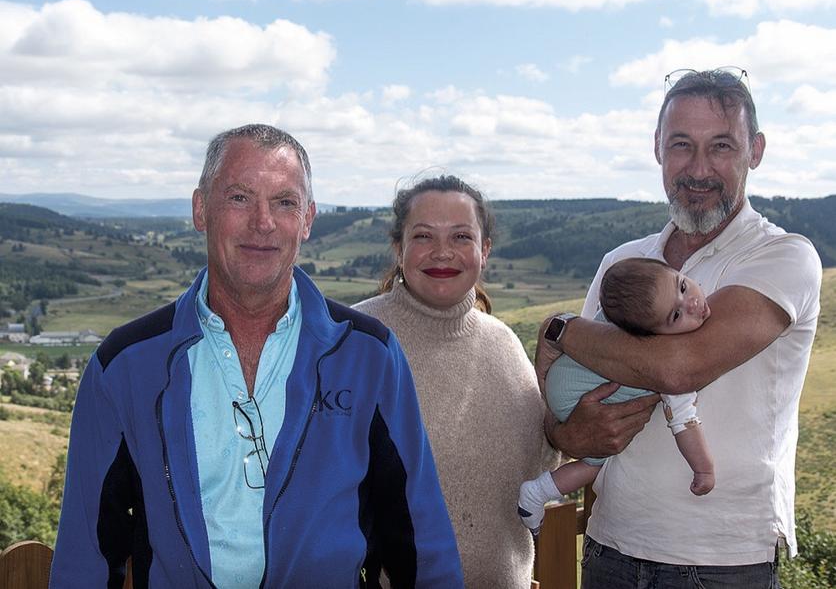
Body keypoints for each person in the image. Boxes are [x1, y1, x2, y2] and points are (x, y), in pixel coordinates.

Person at [50, 124, 463, 588]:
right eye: (239, 197)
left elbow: (421, 541)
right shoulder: (124, 366)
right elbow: (85, 556)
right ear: (200, 209)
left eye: (284, 202)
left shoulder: (368, 356)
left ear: (307, 219)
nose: (262, 222)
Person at [537, 68, 821, 588]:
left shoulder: (783, 257)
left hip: (724, 564)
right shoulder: (622, 261)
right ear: (658, 149)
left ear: (755, 150)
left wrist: (558, 328)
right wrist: (565, 430)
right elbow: (572, 391)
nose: (698, 168)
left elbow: (679, 366)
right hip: (610, 549)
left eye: (722, 146)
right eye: (682, 145)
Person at [353, 175, 559, 588]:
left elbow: (541, 467)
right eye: (424, 235)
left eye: (461, 236)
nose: (442, 252)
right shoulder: (357, 341)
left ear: (484, 250)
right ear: (399, 248)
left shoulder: (504, 344)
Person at [518, 257, 715, 535]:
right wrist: (703, 470)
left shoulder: (628, 312)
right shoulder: (662, 360)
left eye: (683, 286)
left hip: (565, 373)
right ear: (649, 335)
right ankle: (536, 493)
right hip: (575, 396)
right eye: (675, 316)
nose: (692, 303)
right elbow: (684, 424)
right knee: (595, 463)